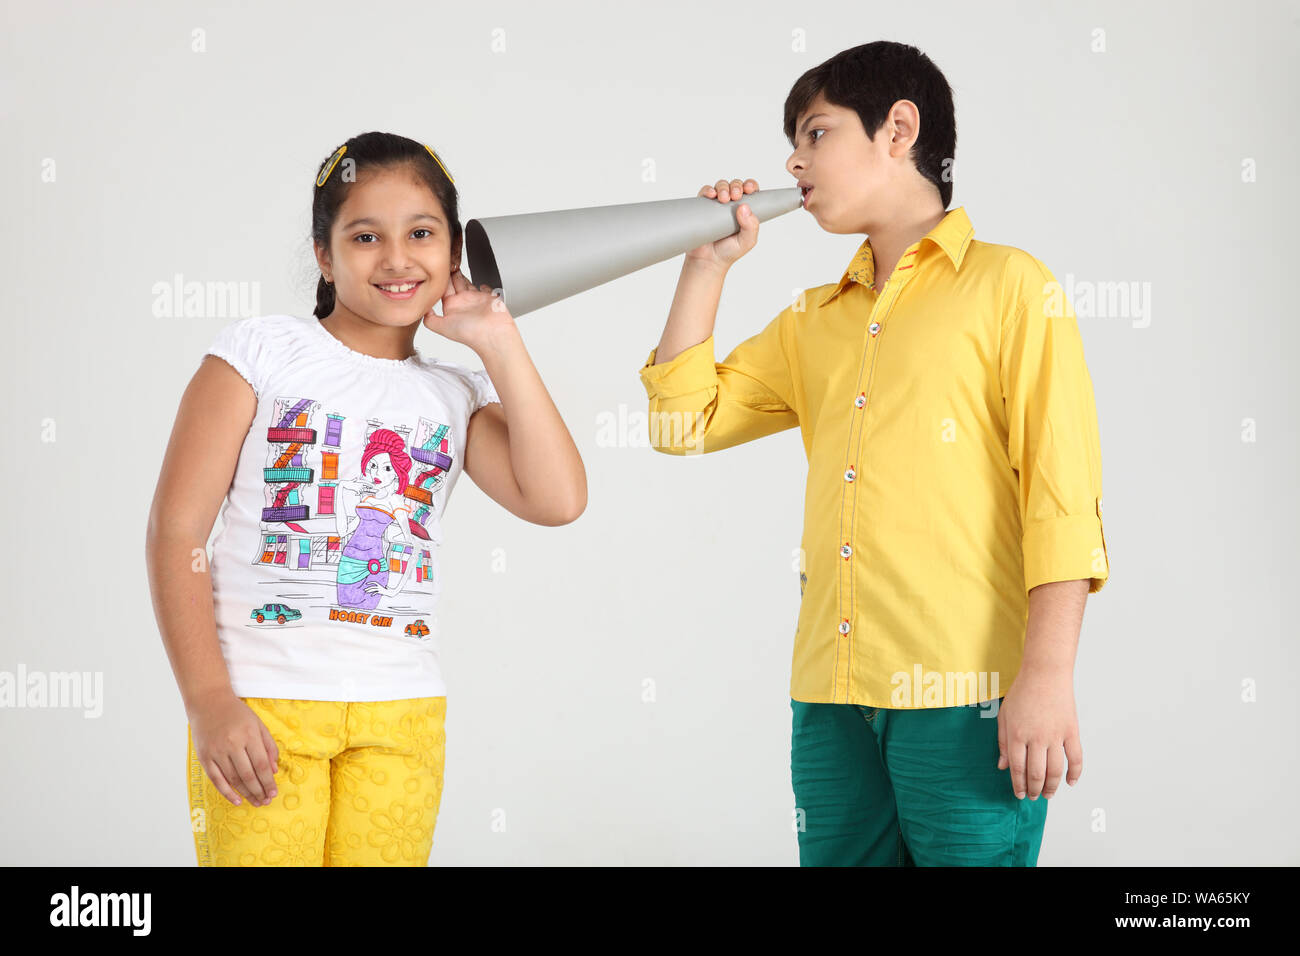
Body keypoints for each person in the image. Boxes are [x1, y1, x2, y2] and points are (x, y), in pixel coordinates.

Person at [639, 41, 1109, 866]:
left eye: (815, 132)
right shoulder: (813, 321)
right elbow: (684, 425)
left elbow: (1060, 497)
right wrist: (705, 267)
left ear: (898, 129)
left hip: (968, 695)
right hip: (830, 695)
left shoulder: (1010, 287)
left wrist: (1047, 677)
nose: (792, 159)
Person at [146, 131, 586, 866]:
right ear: (324, 254)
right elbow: (175, 528)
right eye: (364, 236)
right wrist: (207, 700)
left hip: (402, 714)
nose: (395, 258)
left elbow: (558, 498)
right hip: (262, 708)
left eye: (421, 233)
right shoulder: (259, 353)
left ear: (454, 252)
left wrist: (496, 339)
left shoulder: (456, 391)